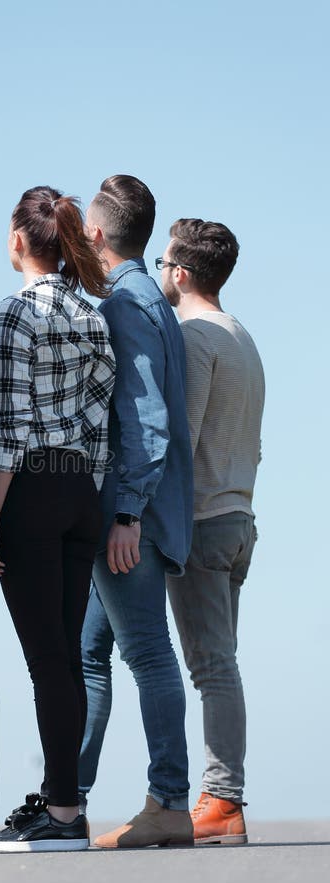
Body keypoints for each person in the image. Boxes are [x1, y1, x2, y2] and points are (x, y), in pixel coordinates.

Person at [0, 186, 116, 852]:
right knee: (65, 658)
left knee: (48, 662)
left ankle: (63, 813)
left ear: (17, 240)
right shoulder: (93, 315)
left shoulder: (13, 314)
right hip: (80, 493)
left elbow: (8, 429)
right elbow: (99, 424)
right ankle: (66, 803)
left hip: (31, 491)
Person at [81, 175, 194, 849]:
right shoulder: (150, 298)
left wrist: (126, 514)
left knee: (147, 653)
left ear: (96, 233)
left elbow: (148, 420)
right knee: (88, 654)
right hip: (136, 509)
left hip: (131, 516)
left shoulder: (125, 304)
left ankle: (169, 801)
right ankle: (66, 802)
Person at [160, 218, 265, 845]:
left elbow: (182, 438)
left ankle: (222, 799)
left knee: (211, 666)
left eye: (162, 262)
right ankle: (220, 798)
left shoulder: (195, 336)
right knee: (220, 662)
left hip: (203, 522)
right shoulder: (239, 333)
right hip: (240, 516)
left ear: (180, 273)